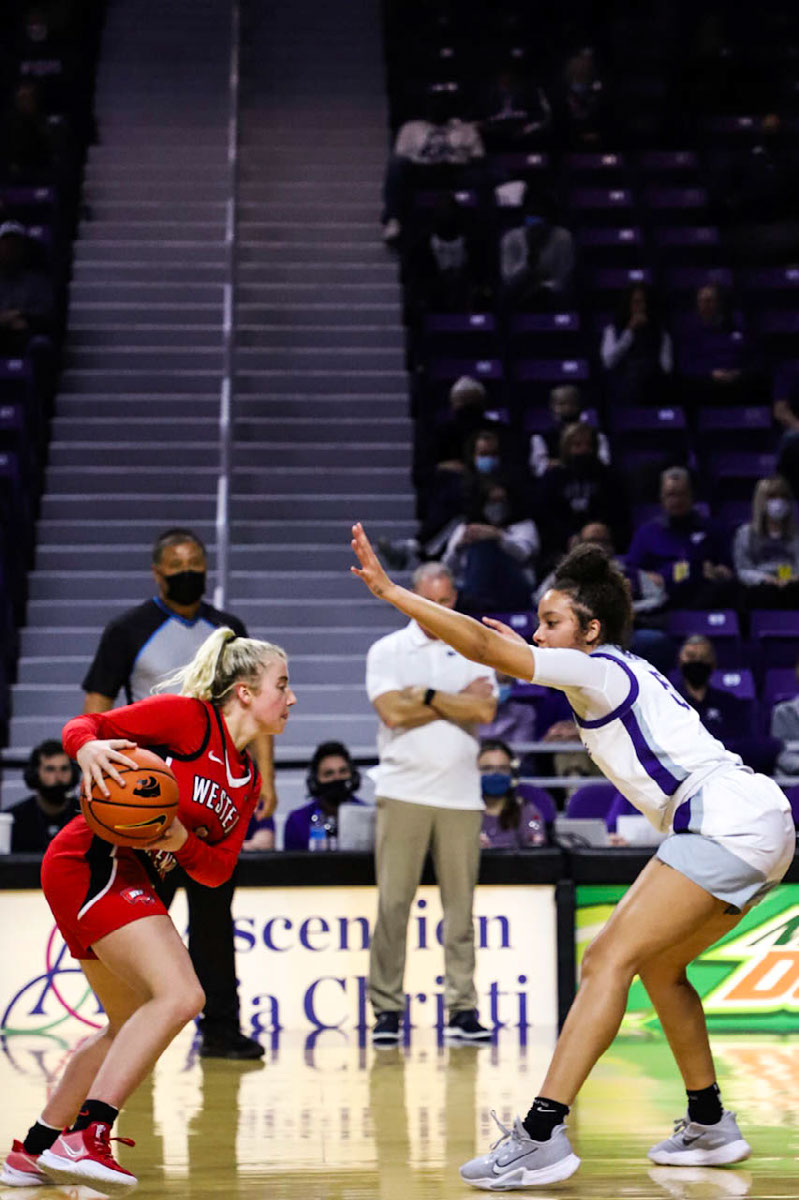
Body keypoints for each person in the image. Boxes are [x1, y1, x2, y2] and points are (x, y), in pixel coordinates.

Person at [351, 522, 794, 1187]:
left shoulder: (598, 666)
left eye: (551, 622)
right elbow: (503, 650)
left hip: (723, 820)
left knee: (604, 961)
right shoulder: (615, 670)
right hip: (752, 822)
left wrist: (392, 592)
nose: (537, 635)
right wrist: (514, 648)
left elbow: (477, 644)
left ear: (589, 631)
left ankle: (540, 1134)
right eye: (536, 623)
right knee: (658, 968)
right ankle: (708, 1122)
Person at [0, 628, 296, 1189]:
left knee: (125, 1023)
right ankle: (87, 1136)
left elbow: (216, 869)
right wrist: (84, 747)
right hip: (90, 858)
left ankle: (32, 1153)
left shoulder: (248, 779)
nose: (291, 697)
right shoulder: (188, 720)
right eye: (282, 684)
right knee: (184, 995)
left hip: (121, 873)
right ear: (243, 693)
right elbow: (85, 726)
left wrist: (181, 839)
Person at [81, 527, 277, 1060]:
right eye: (177, 562)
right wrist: (96, 770)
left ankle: (221, 1030)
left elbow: (255, 712)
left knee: (215, 918)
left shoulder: (228, 630)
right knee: (148, 917)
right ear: (158, 572)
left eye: (196, 561)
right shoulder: (128, 630)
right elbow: (96, 703)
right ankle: (134, 1027)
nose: (188, 569)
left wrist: (267, 780)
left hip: (215, 796)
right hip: (150, 796)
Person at [365, 562, 497, 1045]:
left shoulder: (475, 643)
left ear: (454, 599)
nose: (438, 610)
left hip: (462, 796)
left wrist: (423, 693)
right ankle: (386, 1011)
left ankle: (463, 1010)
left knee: (460, 911)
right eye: (429, 601)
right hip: (402, 792)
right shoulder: (387, 650)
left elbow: (484, 709)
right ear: (410, 597)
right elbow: (392, 714)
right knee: (393, 906)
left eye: (445, 603)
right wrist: (450, 698)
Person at [626, 467, 735, 609]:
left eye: (681, 494)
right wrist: (649, 578)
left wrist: (717, 572)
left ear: (691, 495)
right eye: (671, 495)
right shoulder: (647, 533)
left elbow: (728, 568)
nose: (676, 501)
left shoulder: (713, 530)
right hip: (662, 597)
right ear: (662, 497)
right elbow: (631, 572)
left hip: (702, 594)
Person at [283, 740, 365, 851]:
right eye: (329, 773)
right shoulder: (298, 821)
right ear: (315, 781)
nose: (337, 778)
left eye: (343, 771)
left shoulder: (368, 817)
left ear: (353, 776)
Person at [732, 475, 799, 609]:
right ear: (761, 501)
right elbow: (743, 569)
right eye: (772, 497)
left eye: (783, 496)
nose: (779, 502)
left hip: (792, 583)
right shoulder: (746, 533)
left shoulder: (796, 533)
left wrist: (791, 579)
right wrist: (765, 579)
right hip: (760, 585)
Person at [600, 284, 673, 405]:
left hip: (653, 392)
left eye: (645, 302)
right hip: (623, 392)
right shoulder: (612, 331)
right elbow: (609, 362)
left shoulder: (661, 333)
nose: (642, 307)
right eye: (637, 302)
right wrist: (629, 331)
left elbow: (667, 368)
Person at [9, 739, 78, 853]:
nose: (58, 776)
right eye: (50, 769)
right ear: (35, 774)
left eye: (64, 769)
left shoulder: (87, 817)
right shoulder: (14, 819)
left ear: (74, 773)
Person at [528, 385, 610, 479]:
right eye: (561, 404)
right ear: (552, 407)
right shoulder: (540, 438)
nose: (567, 408)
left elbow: (604, 463)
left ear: (580, 406)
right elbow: (539, 470)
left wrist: (558, 463)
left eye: (572, 403)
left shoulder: (597, 436)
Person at [478, 739, 547, 849]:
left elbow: (536, 854)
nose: (495, 774)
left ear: (513, 774)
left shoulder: (527, 812)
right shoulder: (463, 813)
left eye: (503, 769)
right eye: (487, 768)